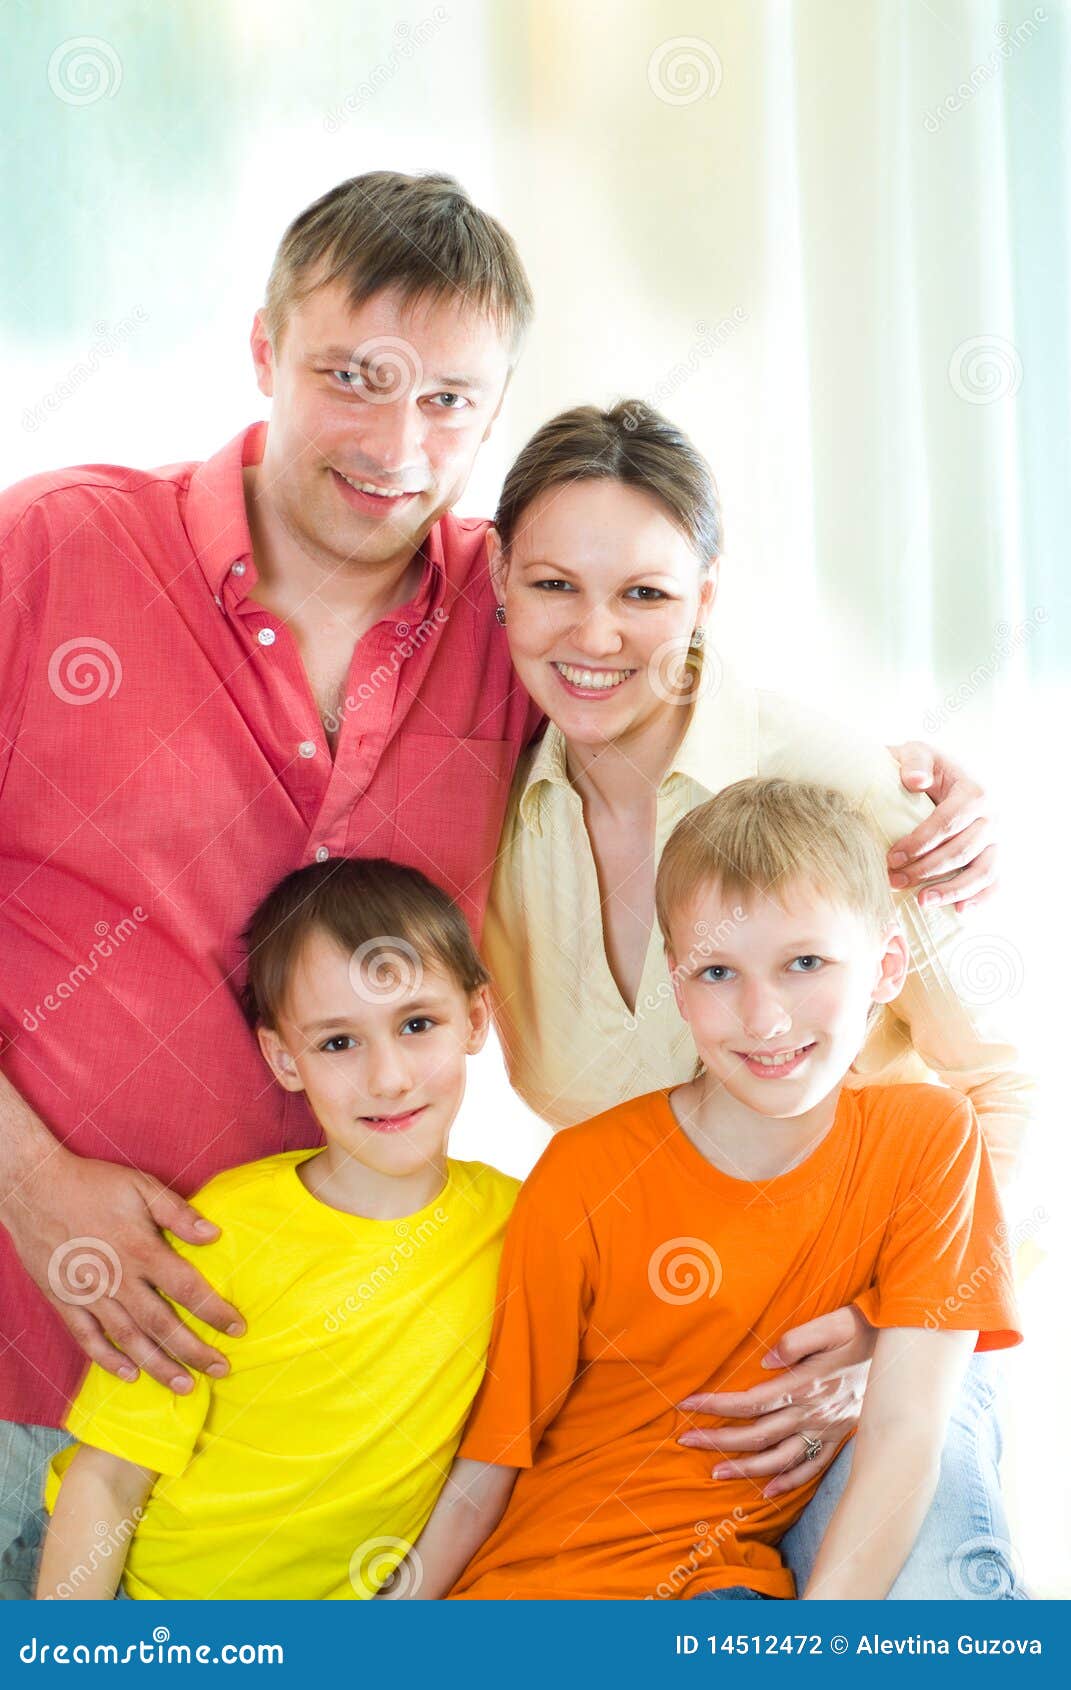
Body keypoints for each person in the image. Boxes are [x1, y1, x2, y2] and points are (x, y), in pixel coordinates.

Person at [0, 169, 998, 1598]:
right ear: (263, 351)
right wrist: (25, 1178)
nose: (399, 445)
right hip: (37, 1369)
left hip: (380, 1454)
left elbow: (672, 662)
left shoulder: (513, 606)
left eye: (452, 400)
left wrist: (902, 783)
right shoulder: (50, 551)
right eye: (355, 376)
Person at [480, 400, 1031, 1596]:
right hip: (658, 1382)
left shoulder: (828, 782)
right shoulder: (487, 816)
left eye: (646, 594)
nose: (594, 635)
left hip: (874, 1353)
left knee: (932, 1606)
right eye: (554, 585)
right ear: (500, 584)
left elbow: (1007, 1082)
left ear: (708, 598)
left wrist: (893, 1323)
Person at [383, 779, 1021, 1602]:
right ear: (678, 989)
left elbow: (907, 1433)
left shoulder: (926, 1140)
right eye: (718, 972)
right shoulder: (586, 1172)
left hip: (710, 1602)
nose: (762, 1018)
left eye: (804, 963)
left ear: (886, 966)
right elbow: (489, 1464)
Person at [34, 857, 517, 1600]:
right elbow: (108, 1475)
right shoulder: (225, 1227)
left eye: (417, 1024)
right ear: (284, 1058)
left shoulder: (520, 1223)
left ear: (476, 1019)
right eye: (337, 1043)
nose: (388, 1077)